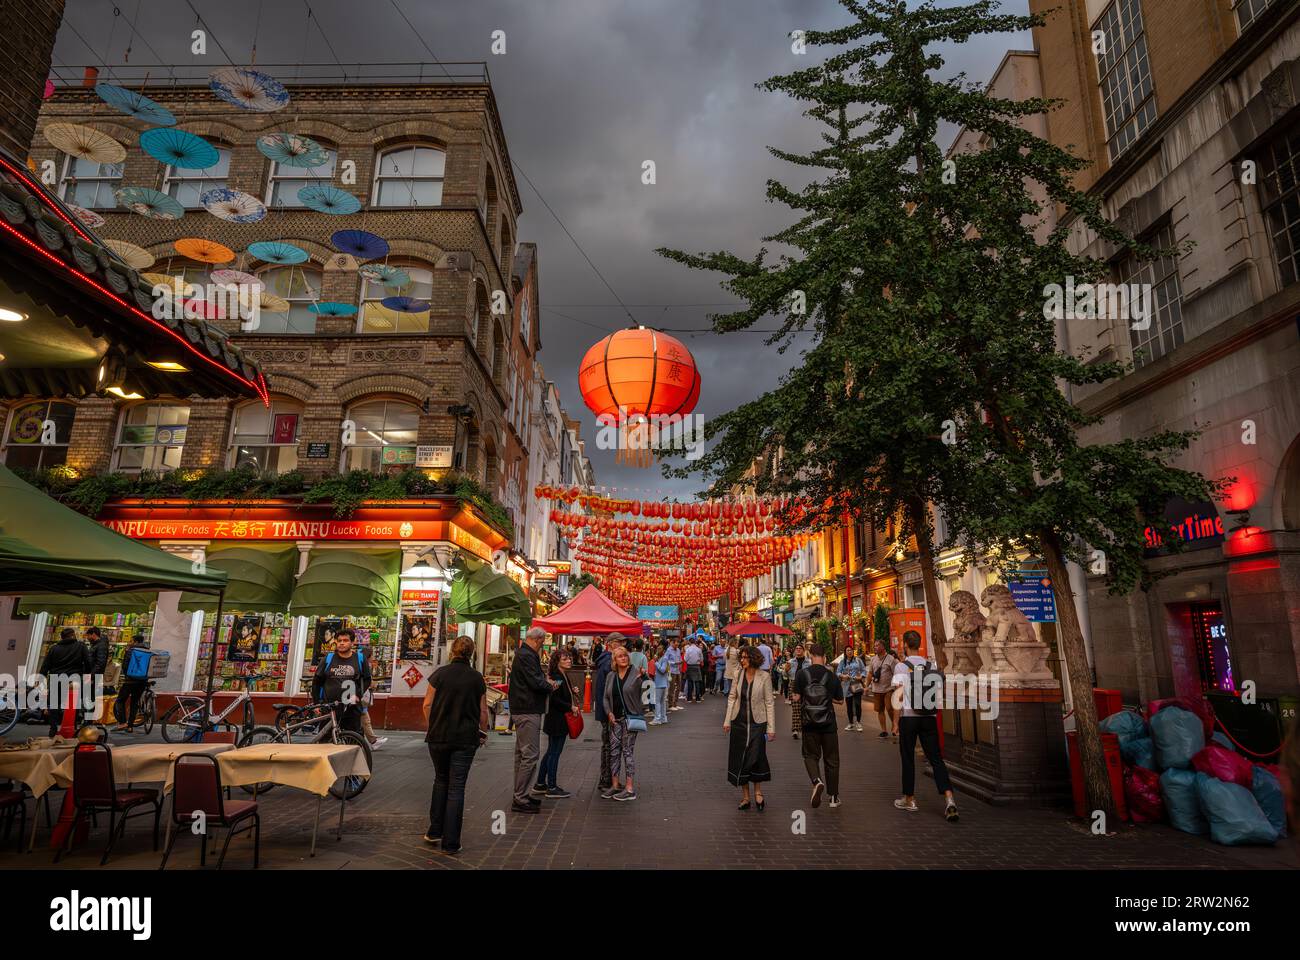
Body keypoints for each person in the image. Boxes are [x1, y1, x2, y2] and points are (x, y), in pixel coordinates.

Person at [422, 635, 488, 854]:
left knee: (440, 780)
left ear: (452, 651)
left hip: (438, 737)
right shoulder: (477, 678)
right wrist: (483, 732)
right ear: (472, 653)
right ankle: (451, 842)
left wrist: (432, 725)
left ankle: (434, 831)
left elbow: (427, 704)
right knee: (456, 787)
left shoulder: (439, 675)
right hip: (465, 738)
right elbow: (483, 711)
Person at [892, 630, 958, 822]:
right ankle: (949, 798)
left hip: (909, 717)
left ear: (905, 644)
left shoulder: (902, 667)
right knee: (936, 758)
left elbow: (898, 696)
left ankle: (909, 799)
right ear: (919, 644)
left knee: (908, 758)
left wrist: (895, 722)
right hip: (928, 717)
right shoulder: (931, 665)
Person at [508, 626, 560, 814]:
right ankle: (520, 798)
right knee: (529, 755)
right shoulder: (527, 656)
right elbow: (535, 682)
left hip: (523, 708)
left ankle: (520, 793)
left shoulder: (524, 654)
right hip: (527, 708)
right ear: (538, 640)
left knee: (522, 755)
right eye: (543, 641)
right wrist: (550, 685)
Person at [793, 642, 844, 808]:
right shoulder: (832, 676)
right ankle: (834, 798)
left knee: (810, 755)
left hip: (809, 723)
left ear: (809, 655)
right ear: (825, 657)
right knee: (832, 760)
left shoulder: (801, 674)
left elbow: (796, 698)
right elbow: (841, 700)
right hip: (829, 724)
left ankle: (816, 781)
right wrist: (828, 698)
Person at [724, 646, 775, 811]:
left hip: (757, 723)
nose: (742, 660)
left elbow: (769, 702)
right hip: (739, 722)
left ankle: (758, 793)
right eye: (742, 657)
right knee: (741, 757)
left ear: (753, 658)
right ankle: (746, 797)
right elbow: (732, 697)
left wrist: (771, 728)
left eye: (745, 657)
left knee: (756, 756)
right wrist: (727, 721)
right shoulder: (738, 674)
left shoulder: (764, 676)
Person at [310, 628, 372, 735]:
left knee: (352, 740)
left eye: (345, 640)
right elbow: (317, 682)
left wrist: (358, 695)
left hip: (351, 708)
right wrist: (316, 703)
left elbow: (367, 680)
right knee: (326, 741)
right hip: (329, 708)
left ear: (352, 642)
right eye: (339, 641)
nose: (342, 643)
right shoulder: (328, 658)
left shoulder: (360, 659)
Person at [536, 648, 579, 798]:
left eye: (569, 658)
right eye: (565, 659)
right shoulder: (557, 677)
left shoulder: (562, 676)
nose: (569, 660)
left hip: (556, 719)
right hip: (557, 720)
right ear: (557, 662)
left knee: (551, 751)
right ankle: (552, 787)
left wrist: (572, 691)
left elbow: (559, 694)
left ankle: (540, 783)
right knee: (555, 752)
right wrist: (570, 706)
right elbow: (554, 699)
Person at [601, 645, 643, 801]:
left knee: (627, 751)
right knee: (614, 752)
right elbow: (605, 697)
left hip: (630, 719)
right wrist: (609, 713)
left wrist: (644, 679)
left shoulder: (636, 673)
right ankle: (615, 785)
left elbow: (647, 691)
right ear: (615, 660)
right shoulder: (611, 676)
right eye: (620, 656)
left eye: (625, 655)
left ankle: (630, 788)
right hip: (615, 720)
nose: (623, 658)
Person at [41, 627, 91, 737]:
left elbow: (46, 665)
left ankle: (53, 729)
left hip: (56, 678)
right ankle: (72, 728)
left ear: (61, 637)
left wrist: (42, 676)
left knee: (54, 705)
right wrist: (87, 674)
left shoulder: (54, 648)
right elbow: (88, 662)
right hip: (73, 680)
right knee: (73, 705)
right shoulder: (81, 646)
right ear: (73, 635)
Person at [591, 634, 621, 790]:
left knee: (610, 745)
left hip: (608, 710)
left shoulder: (607, 660)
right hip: (609, 711)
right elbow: (608, 691)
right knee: (609, 745)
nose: (621, 646)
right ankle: (606, 779)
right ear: (610, 644)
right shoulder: (608, 662)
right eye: (618, 643)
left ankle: (609, 778)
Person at [113, 633, 149, 734]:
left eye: (132, 640)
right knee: (134, 702)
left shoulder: (131, 651)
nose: (130, 642)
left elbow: (125, 665)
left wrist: (127, 675)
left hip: (130, 681)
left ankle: (122, 722)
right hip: (142, 681)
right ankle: (130, 726)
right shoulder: (147, 651)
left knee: (120, 700)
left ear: (136, 641)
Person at [868, 640, 899, 739]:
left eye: (877, 645)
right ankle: (884, 731)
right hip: (876, 689)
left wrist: (897, 688)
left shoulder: (891, 659)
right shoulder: (873, 659)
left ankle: (895, 727)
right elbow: (870, 673)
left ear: (883, 646)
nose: (875, 647)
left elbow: (896, 673)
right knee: (880, 710)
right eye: (875, 646)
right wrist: (866, 686)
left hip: (888, 689)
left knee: (889, 708)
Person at [837, 644, 867, 733]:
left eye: (851, 650)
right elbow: (838, 672)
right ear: (845, 653)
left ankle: (858, 722)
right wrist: (843, 676)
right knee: (849, 705)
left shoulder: (858, 660)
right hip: (847, 686)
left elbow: (864, 670)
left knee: (858, 704)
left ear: (853, 651)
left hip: (856, 684)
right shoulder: (843, 662)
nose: (849, 652)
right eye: (847, 650)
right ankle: (850, 723)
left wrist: (861, 676)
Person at [786, 643, 811, 739]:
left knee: (805, 708)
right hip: (793, 684)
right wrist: (786, 670)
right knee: (796, 708)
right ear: (795, 651)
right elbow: (786, 675)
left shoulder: (809, 662)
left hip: (806, 686)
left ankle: (805, 728)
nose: (798, 650)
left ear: (804, 650)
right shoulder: (790, 662)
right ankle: (795, 730)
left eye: (800, 648)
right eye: (797, 648)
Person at [651, 642, 671, 724]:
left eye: (660, 649)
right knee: (662, 702)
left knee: (658, 702)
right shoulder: (662, 658)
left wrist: (655, 662)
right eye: (657, 648)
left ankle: (657, 719)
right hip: (662, 683)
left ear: (663, 650)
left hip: (660, 683)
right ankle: (663, 718)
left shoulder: (664, 658)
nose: (658, 650)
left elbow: (662, 670)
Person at [682, 637, 704, 703]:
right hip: (697, 666)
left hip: (690, 666)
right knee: (697, 682)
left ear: (689, 642)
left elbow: (685, 659)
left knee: (690, 682)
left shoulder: (688, 650)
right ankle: (698, 698)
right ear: (694, 642)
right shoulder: (699, 649)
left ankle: (689, 698)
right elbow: (701, 659)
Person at [666, 638, 683, 709]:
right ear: (672, 643)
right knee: (671, 688)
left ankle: (675, 703)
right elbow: (666, 660)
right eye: (676, 644)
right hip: (672, 671)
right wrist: (675, 663)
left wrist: (680, 662)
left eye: (678, 644)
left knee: (679, 687)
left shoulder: (678, 650)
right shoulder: (668, 650)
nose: (677, 645)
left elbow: (679, 659)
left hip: (678, 670)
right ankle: (670, 705)